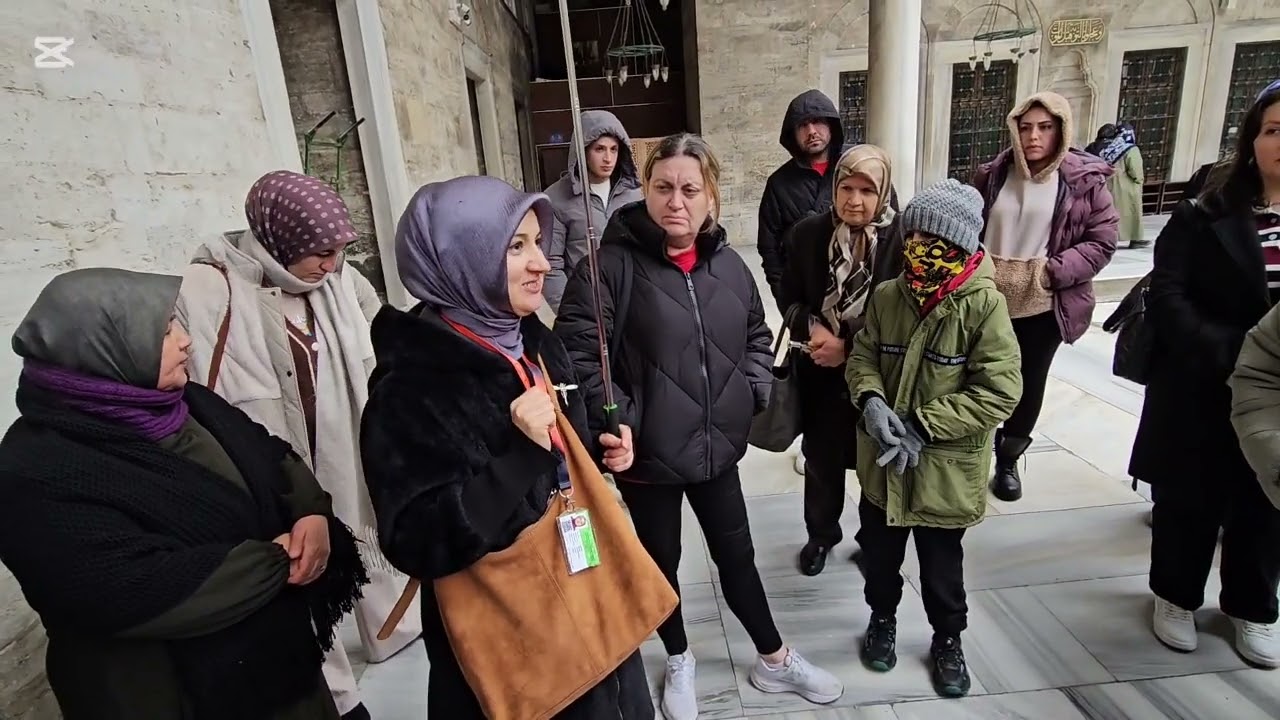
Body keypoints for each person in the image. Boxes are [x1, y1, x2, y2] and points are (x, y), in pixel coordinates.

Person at [556, 132, 844, 720]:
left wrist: (751, 391)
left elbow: (757, 337)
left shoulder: (729, 266)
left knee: (737, 557)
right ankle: (680, 655)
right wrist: (621, 423)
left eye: (690, 189)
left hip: (716, 451)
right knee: (661, 564)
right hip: (648, 458)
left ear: (711, 195)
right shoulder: (606, 266)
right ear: (646, 190)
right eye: (663, 187)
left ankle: (773, 656)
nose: (676, 201)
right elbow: (581, 358)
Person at [0, 268, 367, 719]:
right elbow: (122, 588)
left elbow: (269, 454)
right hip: (165, 694)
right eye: (164, 331)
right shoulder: (37, 470)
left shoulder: (187, 404)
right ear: (103, 349)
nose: (186, 340)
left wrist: (311, 513)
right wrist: (277, 562)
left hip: (272, 672)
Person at [358, 175, 652, 717]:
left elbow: (570, 448)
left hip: (587, 590)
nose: (541, 262)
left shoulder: (535, 341)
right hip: (517, 628)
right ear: (459, 259)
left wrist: (602, 447)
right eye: (516, 247)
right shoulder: (412, 387)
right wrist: (519, 457)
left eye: (538, 242)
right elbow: (417, 541)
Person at [176, 170, 405, 720]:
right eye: (319, 252)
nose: (330, 264)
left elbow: (382, 345)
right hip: (269, 453)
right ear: (278, 240)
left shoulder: (345, 286)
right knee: (298, 566)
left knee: (357, 533)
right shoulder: (210, 290)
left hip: (340, 442)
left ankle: (391, 630)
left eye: (338, 251)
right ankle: (332, 688)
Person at [847, 179, 1022, 698]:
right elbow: (863, 357)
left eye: (934, 239)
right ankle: (882, 620)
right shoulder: (887, 296)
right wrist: (871, 400)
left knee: (942, 569)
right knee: (879, 557)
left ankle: (949, 640)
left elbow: (999, 390)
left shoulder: (983, 306)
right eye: (914, 234)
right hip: (883, 466)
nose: (920, 247)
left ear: (961, 245)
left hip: (943, 473)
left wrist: (925, 425)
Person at [1131, 83, 1280, 668]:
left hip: (1278, 400)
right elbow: (1167, 295)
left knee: (1265, 498)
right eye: (1273, 129)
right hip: (1204, 380)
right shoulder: (1205, 213)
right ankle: (1175, 595)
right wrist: (1237, 353)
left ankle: (1252, 604)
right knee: (1190, 494)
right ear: (1252, 141)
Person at [972, 91, 1119, 502]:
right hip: (988, 299)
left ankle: (1008, 457)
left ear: (1061, 130)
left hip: (1040, 302)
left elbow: (1102, 242)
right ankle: (970, 453)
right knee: (978, 377)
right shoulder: (993, 174)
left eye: (1045, 127)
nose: (1034, 136)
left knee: (1026, 383)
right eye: (1026, 127)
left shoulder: (1083, 182)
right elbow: (968, 225)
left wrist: (1051, 273)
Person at [777, 144, 904, 576]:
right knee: (822, 460)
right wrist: (810, 327)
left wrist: (847, 346)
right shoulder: (808, 234)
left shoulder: (902, 241)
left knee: (875, 461)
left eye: (867, 190)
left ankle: (874, 541)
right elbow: (788, 294)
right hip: (819, 373)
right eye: (846, 187)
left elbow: (906, 315)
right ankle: (821, 535)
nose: (854, 200)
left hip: (879, 377)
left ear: (883, 191)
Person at [758, 89, 845, 477]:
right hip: (807, 312)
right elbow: (770, 253)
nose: (812, 131)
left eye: (818, 122)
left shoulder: (855, 171)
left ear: (832, 125)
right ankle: (821, 524)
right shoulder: (779, 185)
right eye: (803, 125)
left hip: (856, 314)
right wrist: (795, 312)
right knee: (814, 405)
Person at [543, 110, 644, 312]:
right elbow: (550, 265)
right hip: (584, 303)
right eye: (600, 149)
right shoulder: (556, 199)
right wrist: (571, 311)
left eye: (614, 149)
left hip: (631, 302)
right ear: (583, 151)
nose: (608, 158)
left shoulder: (635, 195)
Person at [1097, 123, 1146, 249]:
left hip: (1109, 185)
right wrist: (1139, 181)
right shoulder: (1131, 149)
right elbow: (1135, 170)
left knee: (1113, 214)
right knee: (1131, 213)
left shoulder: (1110, 148)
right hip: (1127, 187)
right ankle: (1136, 239)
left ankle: (1111, 238)